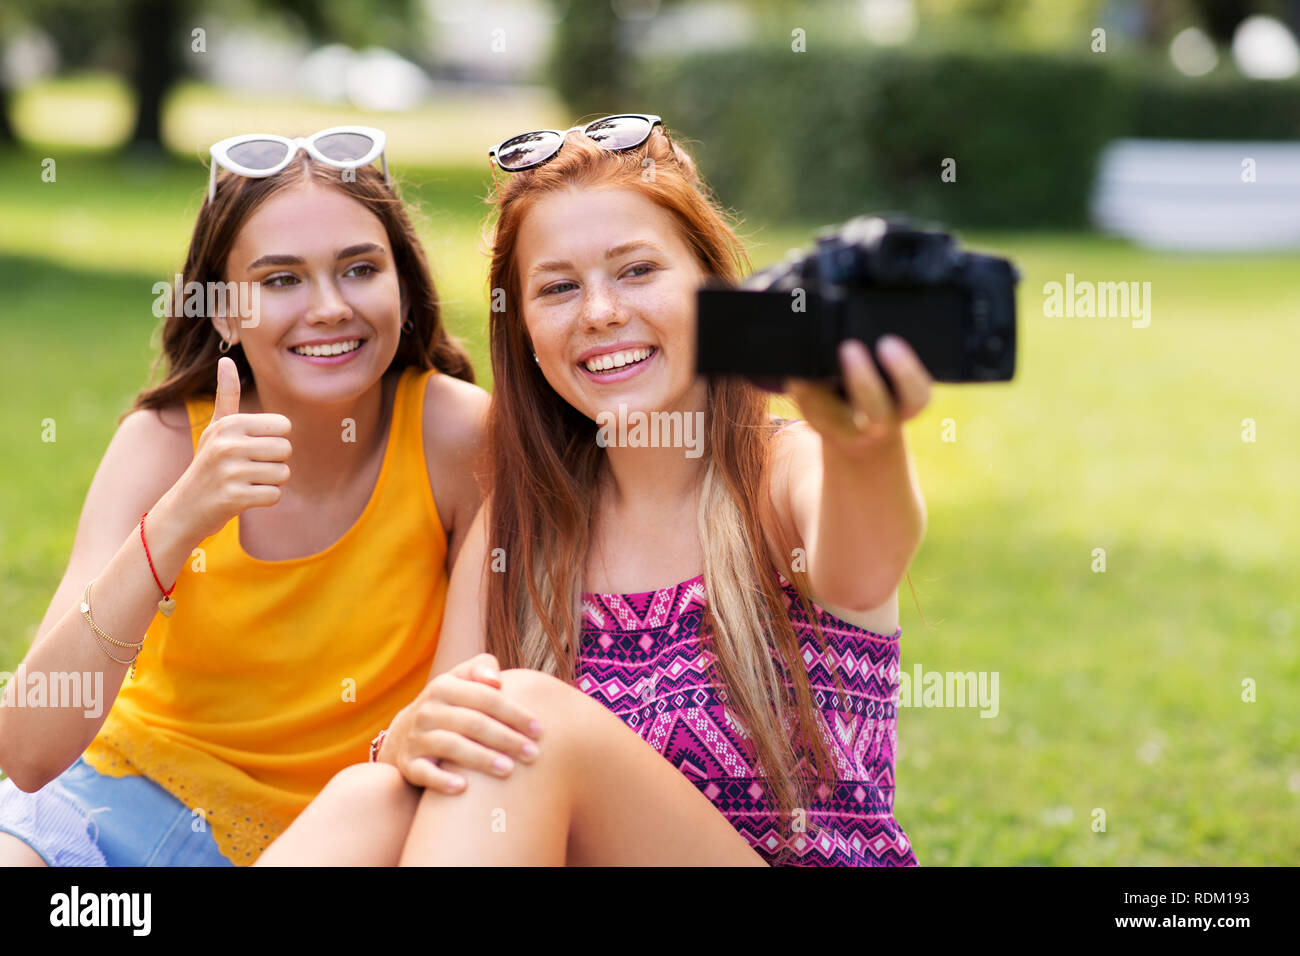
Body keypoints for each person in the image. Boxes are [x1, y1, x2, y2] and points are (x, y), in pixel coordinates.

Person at [258, 115, 930, 866]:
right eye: (557, 288)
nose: (601, 312)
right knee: (373, 794)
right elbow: (448, 745)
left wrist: (868, 448)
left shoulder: (784, 475)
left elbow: (866, 567)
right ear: (524, 332)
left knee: (528, 725)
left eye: (637, 271)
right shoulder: (521, 533)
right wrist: (405, 739)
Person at [0, 128, 489, 866]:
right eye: (281, 280)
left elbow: (453, 720)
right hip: (113, 801)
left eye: (360, 268)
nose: (328, 308)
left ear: (403, 285)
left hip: (333, 833)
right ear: (225, 313)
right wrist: (176, 521)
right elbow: (29, 751)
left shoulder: (463, 440)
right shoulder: (163, 442)